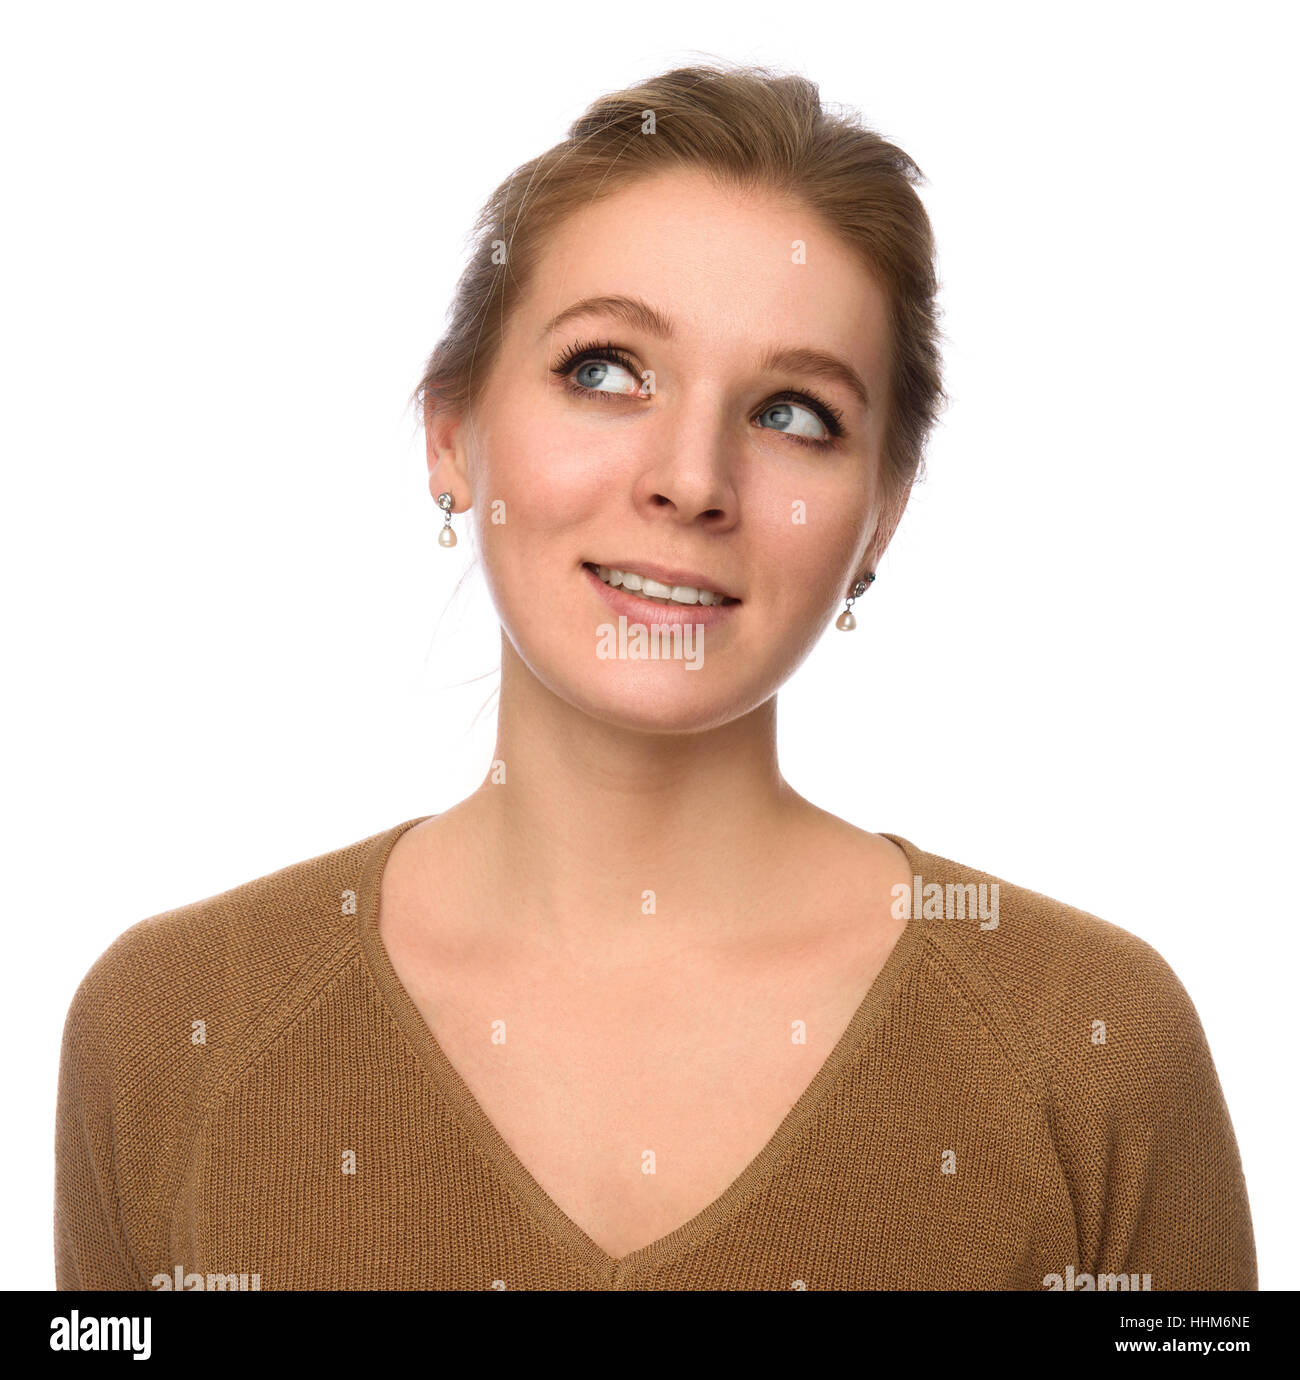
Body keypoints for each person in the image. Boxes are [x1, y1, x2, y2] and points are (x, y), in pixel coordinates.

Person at [54, 62, 1257, 1291]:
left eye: (792, 413)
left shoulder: (1089, 1046)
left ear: (880, 520)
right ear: (449, 430)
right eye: (605, 370)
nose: (691, 478)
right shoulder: (171, 1028)